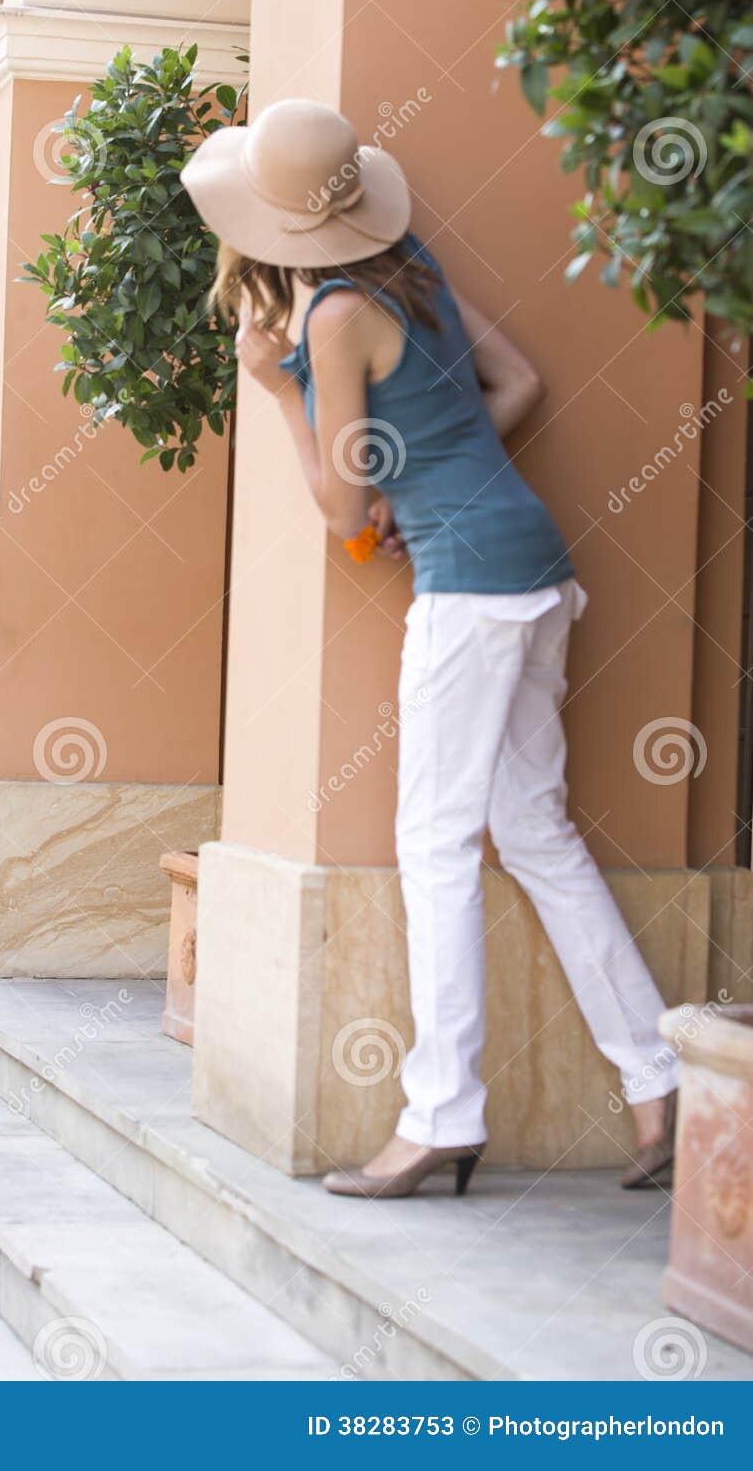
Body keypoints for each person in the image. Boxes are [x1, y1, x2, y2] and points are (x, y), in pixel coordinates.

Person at [181, 99, 679, 1198]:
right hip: (534, 563)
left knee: (435, 845)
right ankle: (654, 1079)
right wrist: (436, 474)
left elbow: (339, 509)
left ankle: (440, 1114)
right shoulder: (409, 266)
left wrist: (273, 393)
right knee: (530, 831)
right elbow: (518, 387)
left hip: (469, 590)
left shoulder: (326, 322)